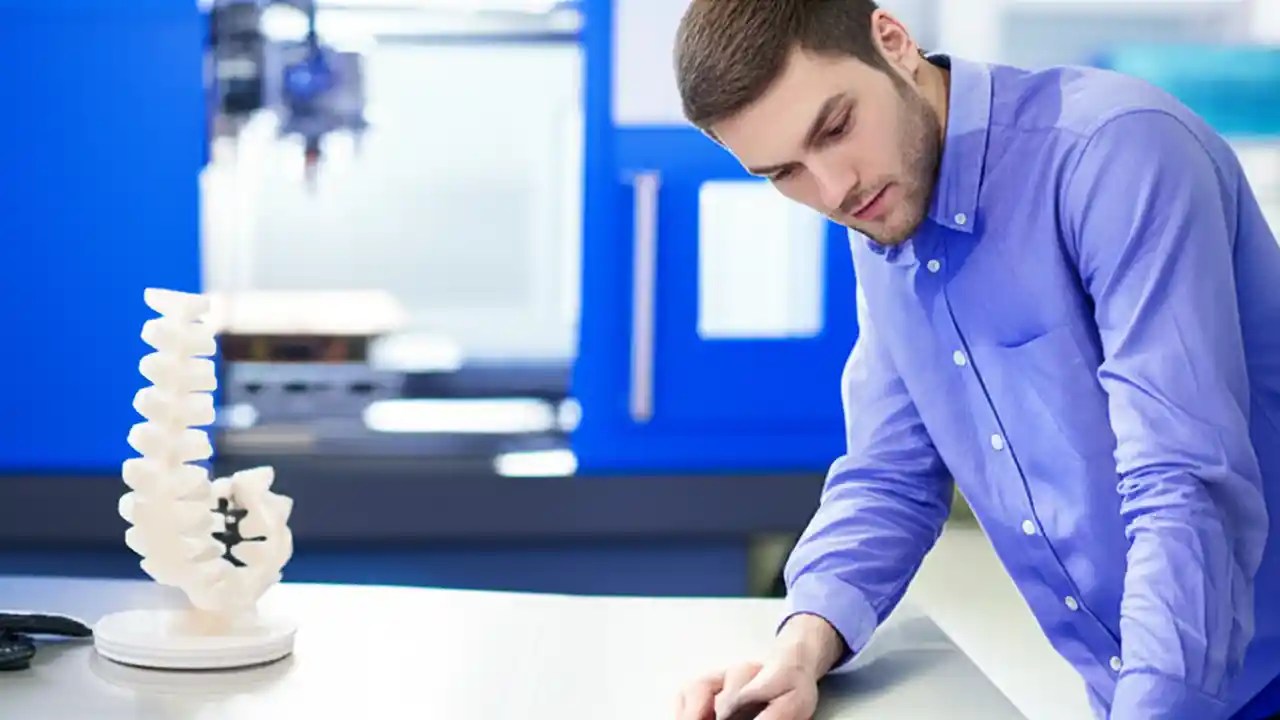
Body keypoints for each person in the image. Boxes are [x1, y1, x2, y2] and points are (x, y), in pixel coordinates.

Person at [670, 2, 1280, 719]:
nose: (832, 190)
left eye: (835, 128)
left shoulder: (1114, 155)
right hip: (1154, 687)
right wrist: (802, 646)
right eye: (783, 173)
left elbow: (1183, 483)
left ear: (892, 42)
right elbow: (890, 474)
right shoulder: (881, 213)